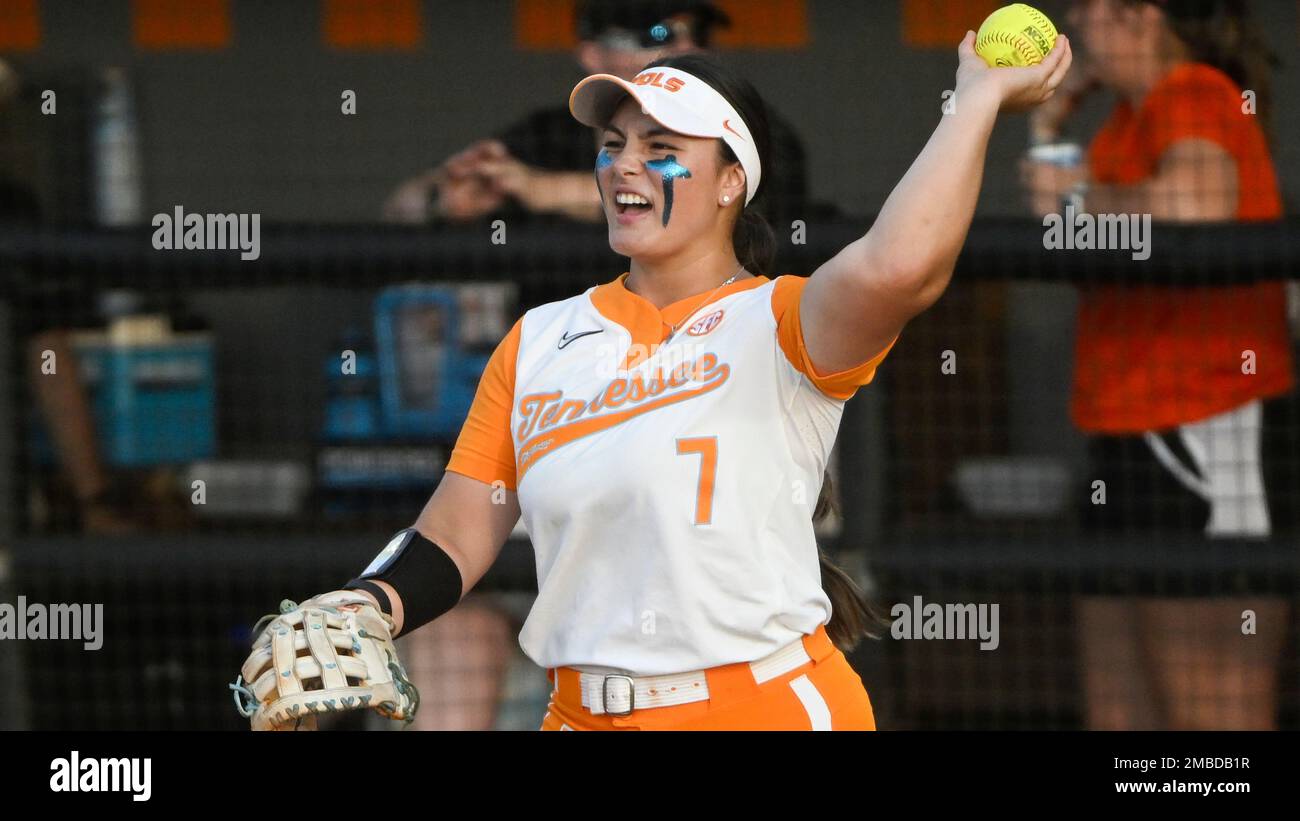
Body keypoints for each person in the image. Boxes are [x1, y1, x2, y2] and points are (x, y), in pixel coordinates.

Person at [248, 39, 1071, 729]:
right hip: (577, 714)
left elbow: (903, 263)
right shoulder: (539, 339)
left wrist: (977, 95)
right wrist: (369, 602)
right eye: (614, 143)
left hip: (760, 708)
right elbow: (458, 532)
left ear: (729, 183)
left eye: (662, 149)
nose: (623, 165)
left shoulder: (784, 319)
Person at [1021, 0, 1292, 730]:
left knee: (1214, 720)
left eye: (1090, 10)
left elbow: (1199, 203)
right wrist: (1049, 132)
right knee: (1122, 714)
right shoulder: (1119, 125)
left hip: (1206, 423)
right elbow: (1079, 232)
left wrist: (1076, 194)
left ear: (1140, 15)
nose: (1076, 25)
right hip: (1122, 429)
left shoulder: (1195, 90)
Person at [381, 0, 808, 230]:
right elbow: (401, 207)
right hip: (567, 364)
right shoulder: (549, 134)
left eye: (697, 35)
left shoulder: (748, 125)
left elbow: (704, 202)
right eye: (654, 34)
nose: (684, 49)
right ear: (593, 54)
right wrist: (445, 198)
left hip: (711, 348)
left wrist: (541, 189)